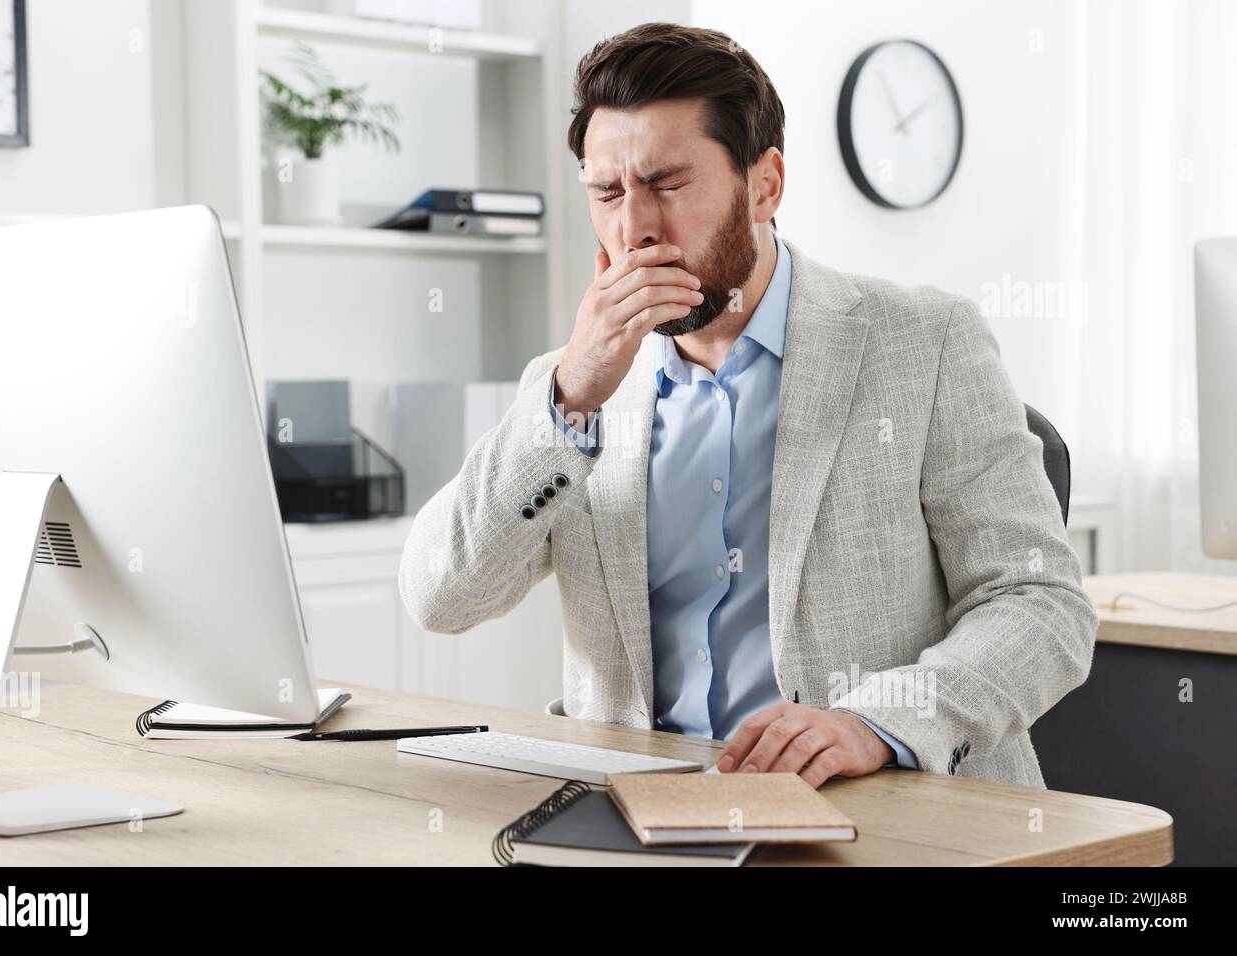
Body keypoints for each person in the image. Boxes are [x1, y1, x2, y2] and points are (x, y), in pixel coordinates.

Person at [399, 22, 1096, 788]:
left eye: (668, 184)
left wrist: (877, 724)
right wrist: (569, 399)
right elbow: (440, 598)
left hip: (888, 811)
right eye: (607, 192)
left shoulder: (925, 343)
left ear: (765, 185)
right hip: (640, 818)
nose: (634, 228)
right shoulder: (573, 388)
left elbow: (1039, 603)